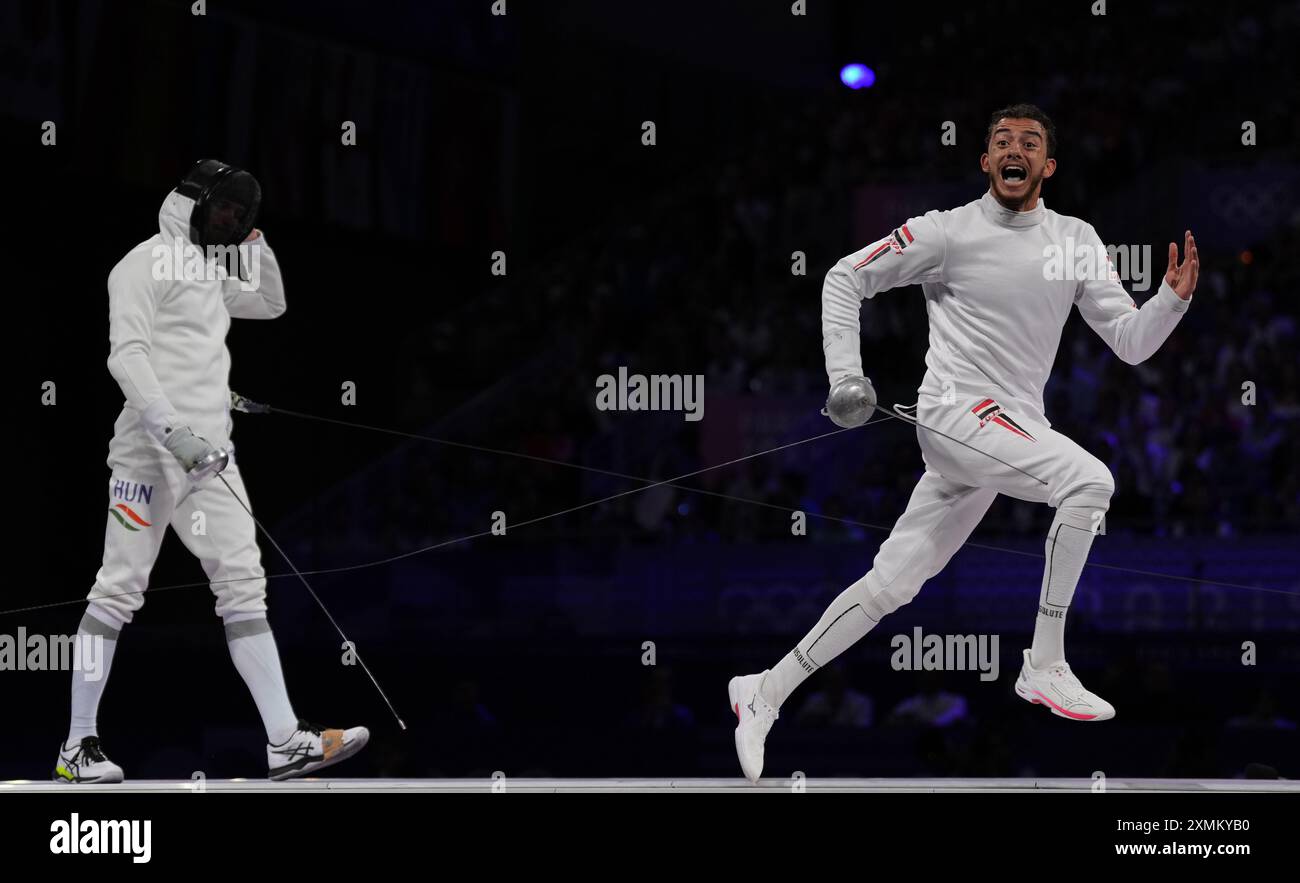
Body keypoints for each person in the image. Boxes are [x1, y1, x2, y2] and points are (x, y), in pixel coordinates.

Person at [729, 105, 1198, 782]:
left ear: (1048, 165)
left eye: (1030, 143)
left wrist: (1170, 302)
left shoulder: (1075, 240)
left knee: (891, 584)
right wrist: (846, 374)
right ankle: (1044, 662)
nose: (1015, 150)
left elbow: (1128, 342)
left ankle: (764, 690)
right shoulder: (947, 232)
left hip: (1004, 434)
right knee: (1089, 480)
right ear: (985, 161)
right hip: (953, 415)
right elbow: (843, 277)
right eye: (1002, 141)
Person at [56, 160, 368, 784]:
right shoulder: (141, 265)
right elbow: (128, 356)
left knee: (244, 584)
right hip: (151, 451)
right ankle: (78, 747)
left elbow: (271, 303)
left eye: (239, 212)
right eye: (223, 209)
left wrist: (256, 244)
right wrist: (174, 432)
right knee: (119, 587)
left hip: (212, 456)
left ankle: (284, 741)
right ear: (191, 204)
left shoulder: (206, 270)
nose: (230, 219)